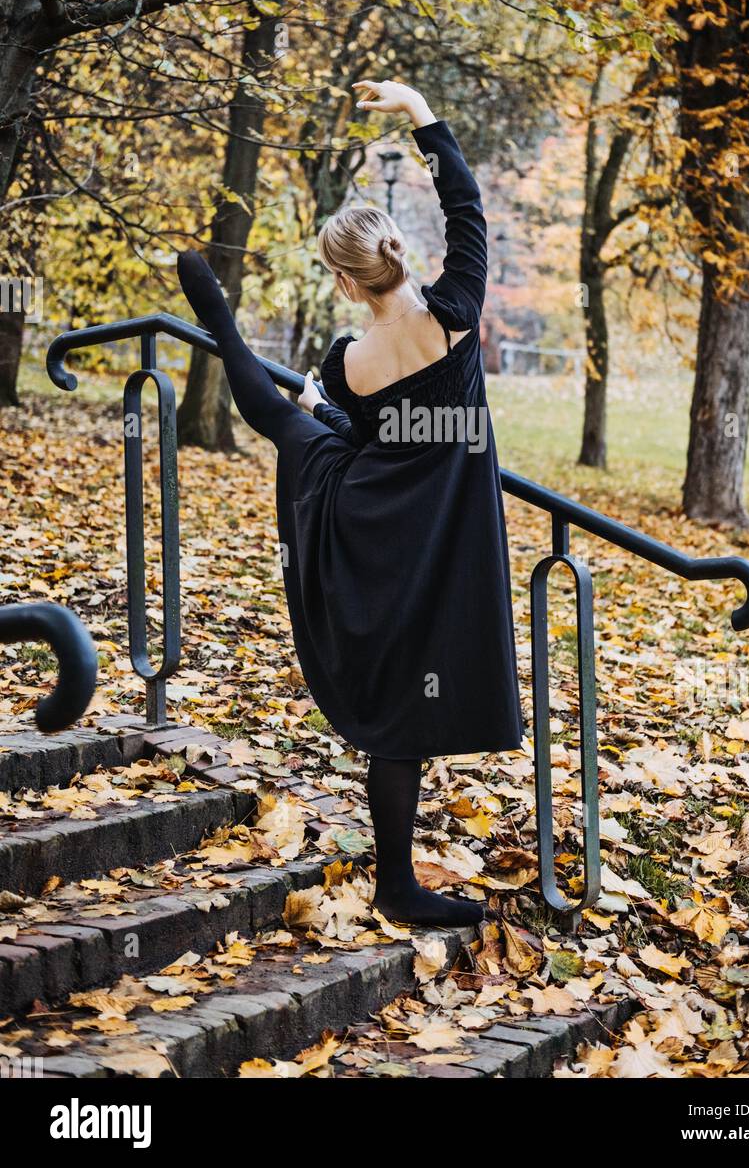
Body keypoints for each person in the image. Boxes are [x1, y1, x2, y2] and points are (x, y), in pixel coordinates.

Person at [176, 79, 523, 926]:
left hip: (371, 521)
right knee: (413, 704)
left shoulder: (344, 361)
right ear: (399, 252)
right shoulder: (458, 312)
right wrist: (417, 110)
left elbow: (335, 421)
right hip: (439, 532)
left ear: (342, 277)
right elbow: (466, 200)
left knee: (282, 419)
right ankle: (398, 887)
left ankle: (213, 309)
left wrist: (315, 406)